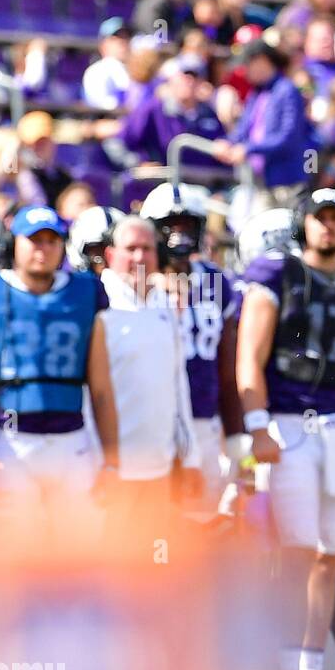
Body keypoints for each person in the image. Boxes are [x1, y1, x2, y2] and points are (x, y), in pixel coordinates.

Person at [236, 188, 335, 670]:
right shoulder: (277, 273)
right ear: (304, 223)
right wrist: (256, 425)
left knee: (328, 553)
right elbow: (250, 352)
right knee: (292, 551)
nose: (330, 227)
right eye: (321, 218)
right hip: (288, 422)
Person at [0, 206, 118, 579]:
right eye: (33, 240)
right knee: (11, 561)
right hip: (12, 441)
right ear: (13, 244)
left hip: (73, 441)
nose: (42, 249)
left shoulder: (85, 292)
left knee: (80, 557)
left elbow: (100, 387)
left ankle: (73, 635)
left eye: (51, 241)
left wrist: (113, 458)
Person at [140, 184, 241, 512]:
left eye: (187, 226)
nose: (179, 236)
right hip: (151, 420)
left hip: (203, 419)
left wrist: (237, 434)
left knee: (201, 522)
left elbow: (227, 366)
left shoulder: (215, 281)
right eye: (170, 227)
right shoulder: (137, 283)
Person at [97, 216, 203, 514]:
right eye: (130, 248)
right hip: (110, 471)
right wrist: (102, 463)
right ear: (110, 255)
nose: (139, 257)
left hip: (160, 468)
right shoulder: (98, 304)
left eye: (147, 248)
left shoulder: (166, 306)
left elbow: (177, 384)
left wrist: (191, 456)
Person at [212, 41, 313, 210]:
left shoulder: (287, 91)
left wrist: (248, 149)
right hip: (261, 181)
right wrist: (227, 142)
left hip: (285, 181)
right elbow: (244, 129)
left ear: (263, 61)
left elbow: (288, 137)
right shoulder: (256, 93)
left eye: (247, 65)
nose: (244, 72)